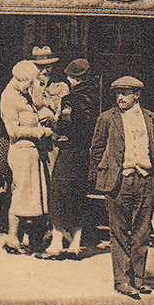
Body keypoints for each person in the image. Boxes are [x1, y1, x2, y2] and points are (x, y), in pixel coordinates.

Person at [89, 75, 154, 299]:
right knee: (119, 232)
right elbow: (96, 150)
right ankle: (122, 280)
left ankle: (138, 280)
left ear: (137, 95)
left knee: (142, 233)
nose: (120, 98)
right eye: (117, 93)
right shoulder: (107, 118)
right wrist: (104, 175)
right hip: (119, 182)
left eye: (125, 93)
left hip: (145, 180)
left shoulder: (150, 118)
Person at [40, 58, 95, 259]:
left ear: (75, 78)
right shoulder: (95, 97)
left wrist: (55, 123)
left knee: (59, 194)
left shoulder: (71, 99)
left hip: (69, 151)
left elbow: (67, 126)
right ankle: (75, 244)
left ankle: (56, 244)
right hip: (83, 154)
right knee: (78, 196)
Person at [0, 60, 53, 254]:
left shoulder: (24, 94)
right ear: (18, 79)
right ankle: (12, 238)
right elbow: (13, 130)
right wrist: (39, 131)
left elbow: (38, 107)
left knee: (34, 196)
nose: (29, 87)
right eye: (28, 83)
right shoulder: (9, 97)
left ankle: (31, 239)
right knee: (21, 194)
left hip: (33, 151)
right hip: (21, 151)